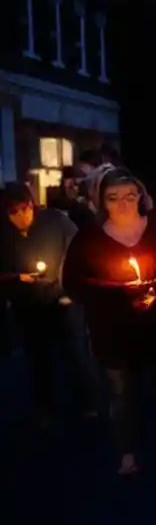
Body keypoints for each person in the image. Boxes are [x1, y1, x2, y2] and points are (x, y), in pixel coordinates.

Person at [62, 169, 156, 475]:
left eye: (129, 196)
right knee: (122, 394)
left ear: (141, 197)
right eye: (113, 198)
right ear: (101, 202)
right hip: (114, 333)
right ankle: (127, 451)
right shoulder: (89, 239)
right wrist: (116, 293)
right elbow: (73, 283)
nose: (123, 204)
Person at [0, 182, 85, 427]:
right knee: (38, 357)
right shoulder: (5, 234)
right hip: (28, 305)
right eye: (13, 213)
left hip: (61, 300)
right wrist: (17, 278)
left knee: (75, 354)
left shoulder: (55, 221)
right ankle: (44, 406)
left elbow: (76, 249)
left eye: (24, 209)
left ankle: (87, 402)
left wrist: (69, 287)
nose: (21, 217)